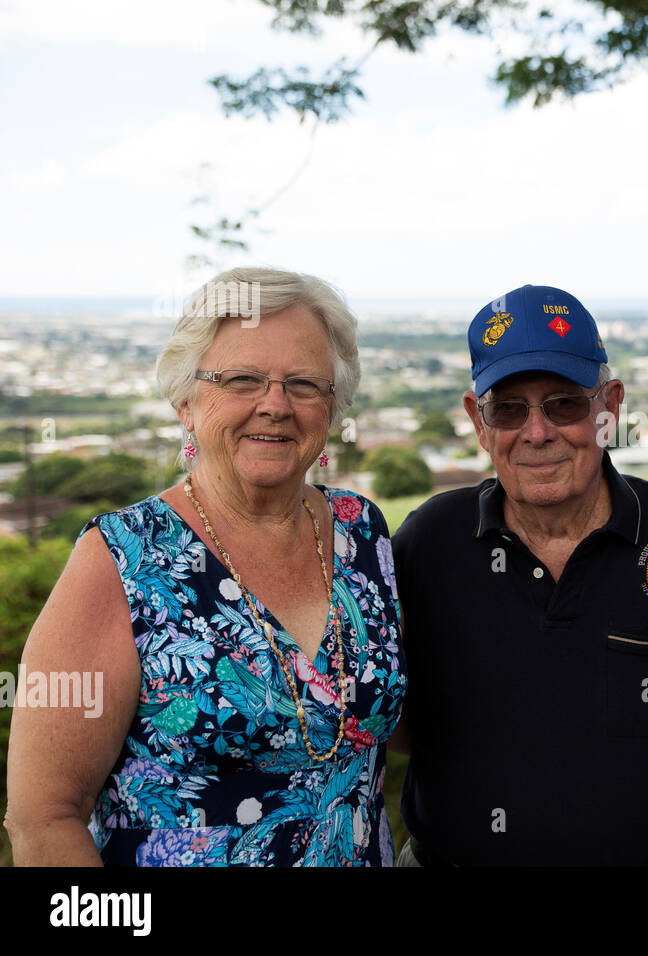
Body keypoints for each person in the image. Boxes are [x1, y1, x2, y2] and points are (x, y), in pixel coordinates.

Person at [3, 268, 406, 866]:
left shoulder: (361, 530)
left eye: (303, 383)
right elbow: (43, 820)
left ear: (333, 406)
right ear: (185, 402)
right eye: (241, 379)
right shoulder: (120, 560)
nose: (275, 404)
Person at [392, 283, 648, 866]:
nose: (537, 432)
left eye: (564, 403)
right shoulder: (427, 543)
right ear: (477, 419)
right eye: (509, 409)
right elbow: (383, 712)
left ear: (608, 405)